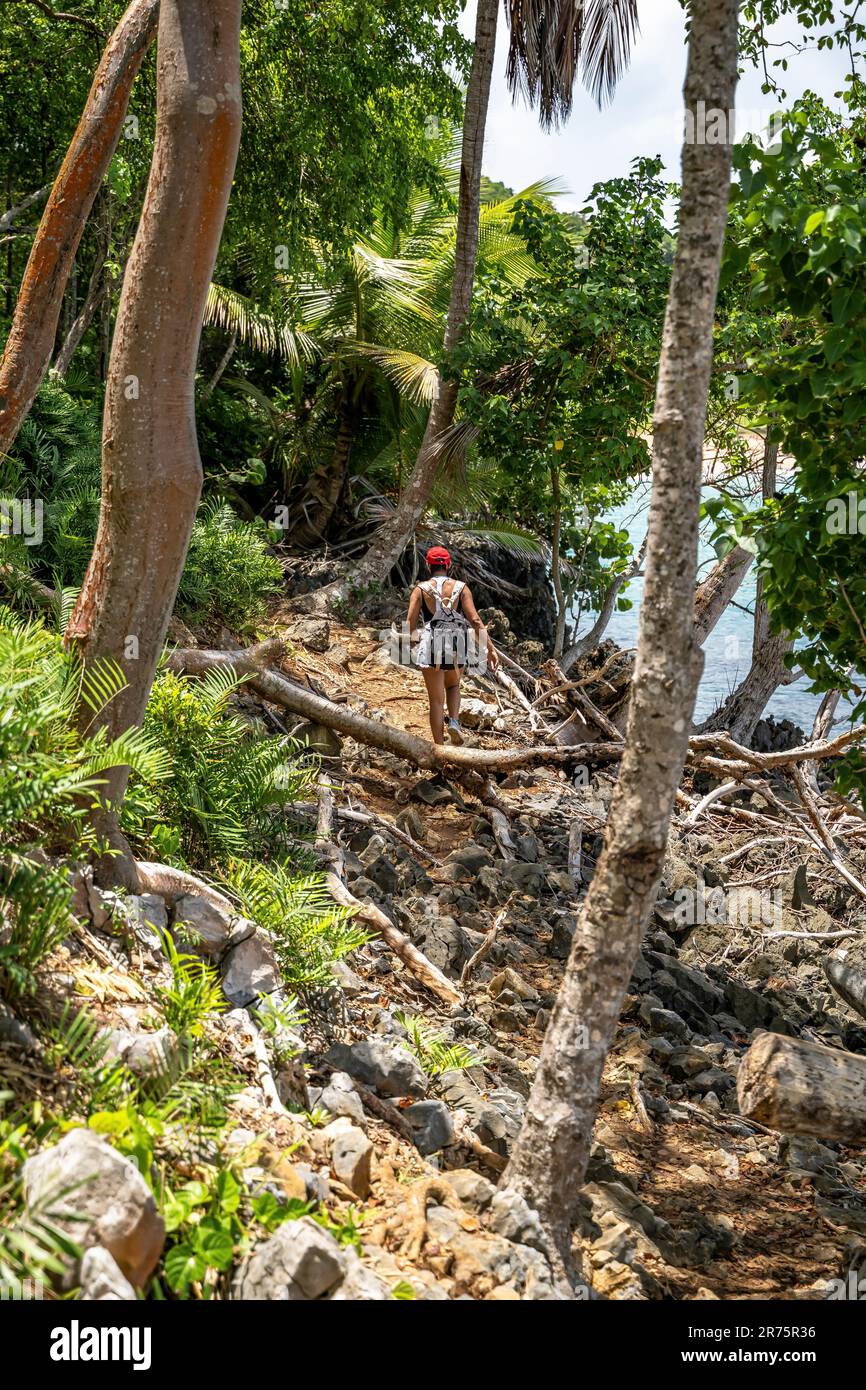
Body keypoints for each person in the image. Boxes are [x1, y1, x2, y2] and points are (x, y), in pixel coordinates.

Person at [407, 545, 498, 745]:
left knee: (436, 701)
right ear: (448, 564)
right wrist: (490, 649)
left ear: (427, 564)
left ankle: (439, 747)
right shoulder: (461, 587)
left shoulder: (420, 590)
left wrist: (414, 641)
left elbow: (411, 625)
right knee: (454, 684)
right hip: (457, 641)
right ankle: (454, 722)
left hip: (431, 642)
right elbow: (474, 619)